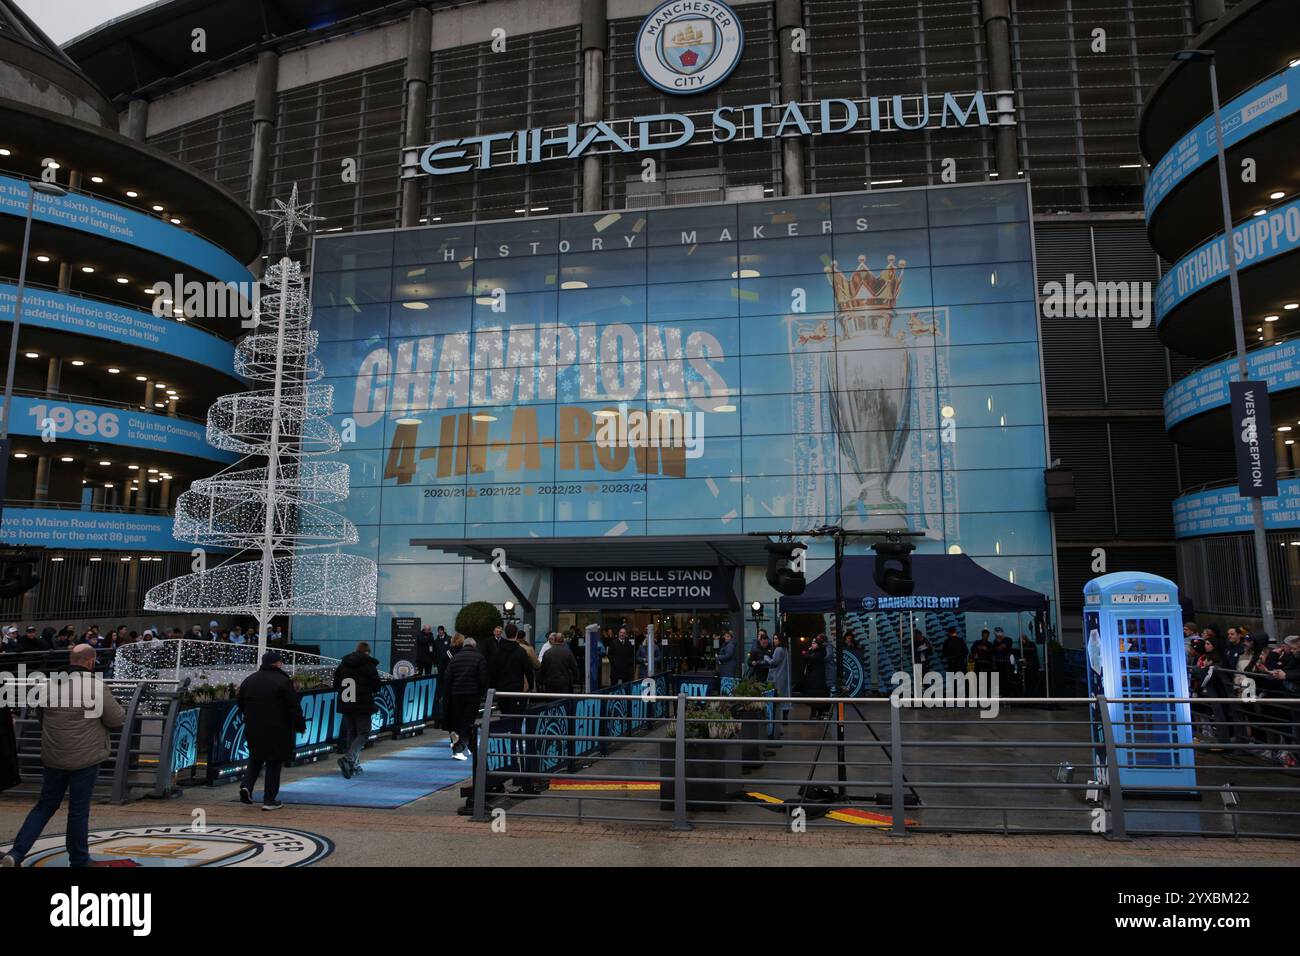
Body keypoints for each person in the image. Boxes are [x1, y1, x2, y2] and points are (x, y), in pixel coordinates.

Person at [1, 644, 125, 867]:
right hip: (85, 758)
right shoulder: (95, 686)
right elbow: (115, 720)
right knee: (78, 810)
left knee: (45, 805)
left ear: (71, 659)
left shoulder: (49, 684)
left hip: (54, 756)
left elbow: (42, 716)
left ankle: (17, 853)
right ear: (90, 662)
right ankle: (79, 859)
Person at [237, 651, 305, 810]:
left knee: (255, 757)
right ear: (277, 663)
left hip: (253, 726)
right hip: (277, 727)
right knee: (274, 761)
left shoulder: (250, 680)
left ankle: (246, 786)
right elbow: (293, 707)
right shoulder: (283, 681)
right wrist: (300, 725)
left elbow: (240, 702)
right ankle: (269, 800)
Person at [333, 641, 381, 779]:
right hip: (362, 704)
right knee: (364, 733)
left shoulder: (343, 664)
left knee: (352, 733)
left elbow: (336, 684)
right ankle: (349, 758)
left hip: (346, 703)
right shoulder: (368, 665)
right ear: (367, 652)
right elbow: (376, 685)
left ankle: (353, 765)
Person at [444, 634, 488, 760]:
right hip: (472, 695)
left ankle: (472, 748)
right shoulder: (479, 658)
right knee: (468, 722)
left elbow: (448, 678)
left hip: (456, 695)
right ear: (474, 646)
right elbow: (483, 678)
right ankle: (459, 748)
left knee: (462, 721)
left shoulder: (455, 658)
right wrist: (481, 694)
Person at [489, 622, 531, 713]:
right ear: (516, 634)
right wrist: (530, 685)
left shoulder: (499, 651)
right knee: (515, 714)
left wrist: (492, 686)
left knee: (504, 712)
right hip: (516, 687)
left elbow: (493, 670)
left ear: (505, 634)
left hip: (502, 688)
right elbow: (528, 669)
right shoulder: (521, 651)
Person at [537, 632, 579, 696]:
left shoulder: (547, 653)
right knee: (563, 702)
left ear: (554, 640)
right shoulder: (568, 652)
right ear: (563, 640)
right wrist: (576, 679)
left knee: (551, 703)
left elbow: (543, 669)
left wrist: (540, 682)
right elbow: (574, 667)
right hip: (564, 683)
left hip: (550, 683)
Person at [768, 634, 792, 737]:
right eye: (773, 638)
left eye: (776, 638)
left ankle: (777, 726)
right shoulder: (786, 650)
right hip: (785, 677)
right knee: (785, 697)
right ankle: (785, 719)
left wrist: (765, 657)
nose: (774, 640)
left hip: (777, 677)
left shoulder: (778, 650)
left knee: (776, 701)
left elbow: (773, 662)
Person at [802, 635, 828, 718]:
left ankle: (816, 714)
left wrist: (806, 653)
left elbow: (809, 657)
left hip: (817, 679)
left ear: (818, 644)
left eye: (814, 643)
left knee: (817, 697)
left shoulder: (820, 652)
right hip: (813, 679)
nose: (812, 645)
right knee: (814, 696)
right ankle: (816, 713)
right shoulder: (815, 652)